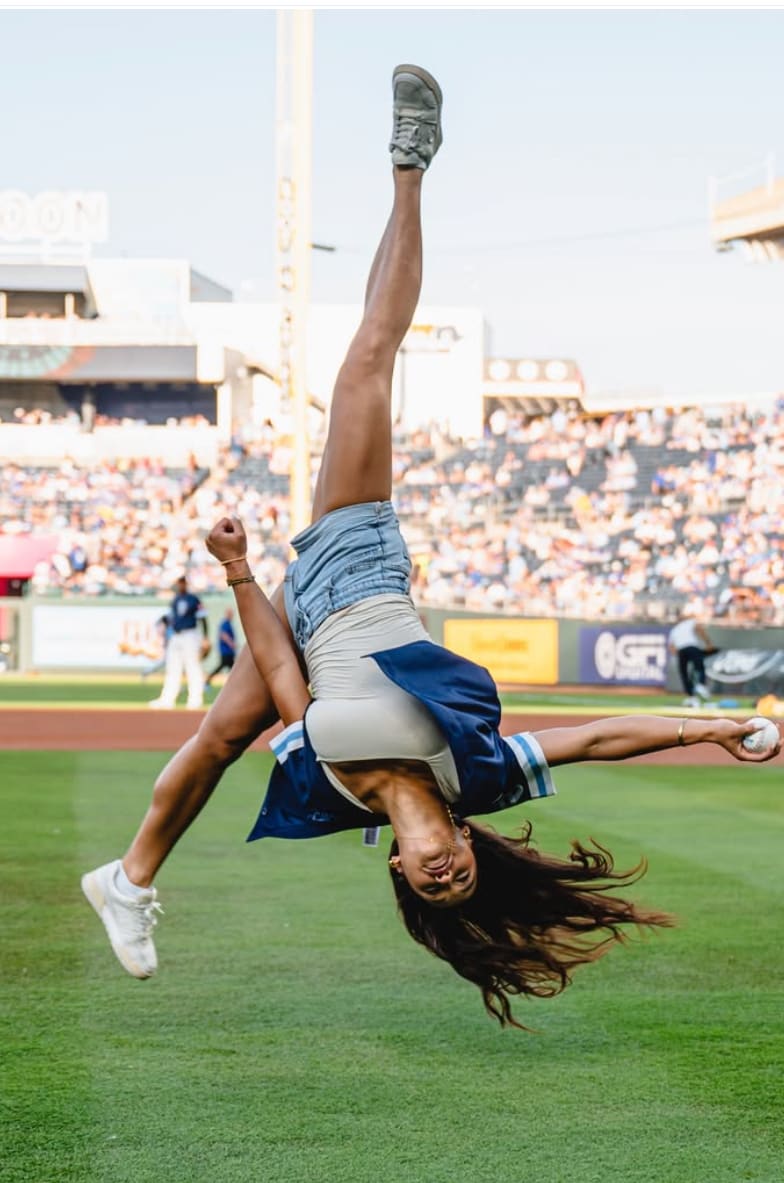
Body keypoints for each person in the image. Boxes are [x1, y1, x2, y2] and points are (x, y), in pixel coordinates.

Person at [82, 65, 780, 1029]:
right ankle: (411, 165)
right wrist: (705, 728)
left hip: (301, 609)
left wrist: (239, 570)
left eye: (429, 885)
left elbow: (285, 673)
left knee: (216, 737)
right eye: (461, 879)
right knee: (369, 359)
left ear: (404, 870)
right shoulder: (477, 775)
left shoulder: (323, 780)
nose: (445, 873)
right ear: (464, 842)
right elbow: (597, 738)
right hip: (361, 566)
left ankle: (129, 879)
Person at [148, 575, 210, 710]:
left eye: (182, 583)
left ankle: (195, 700)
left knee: (192, 667)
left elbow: (203, 617)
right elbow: (170, 618)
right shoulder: (175, 599)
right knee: (172, 668)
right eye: (178, 584)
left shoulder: (193, 599)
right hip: (176, 635)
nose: (180, 586)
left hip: (190, 634)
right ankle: (167, 700)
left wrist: (206, 637)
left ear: (185, 584)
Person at [668, 611, 717, 708]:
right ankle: (701, 685)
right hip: (691, 647)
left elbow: (671, 647)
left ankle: (691, 696)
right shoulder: (690, 622)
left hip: (681, 650)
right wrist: (708, 643)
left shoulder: (674, 629)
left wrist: (679, 654)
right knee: (699, 666)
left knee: (684, 673)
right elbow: (700, 629)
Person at [204, 607, 236, 687]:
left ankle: (233, 684)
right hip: (226, 651)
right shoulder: (225, 623)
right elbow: (223, 635)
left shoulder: (228, 624)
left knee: (232, 669)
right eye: (230, 614)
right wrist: (231, 643)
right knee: (227, 668)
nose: (232, 615)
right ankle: (207, 680)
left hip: (229, 651)